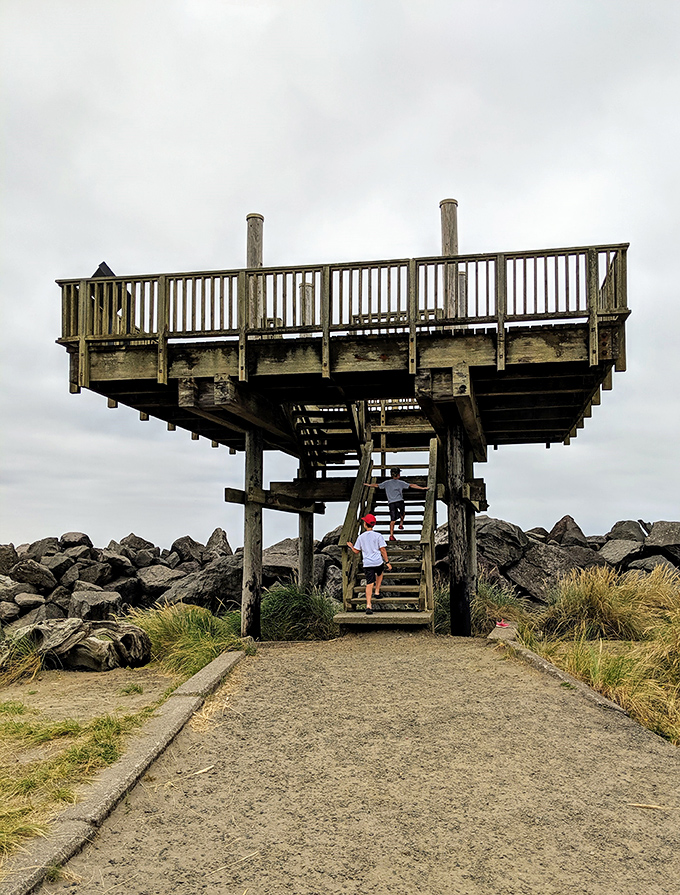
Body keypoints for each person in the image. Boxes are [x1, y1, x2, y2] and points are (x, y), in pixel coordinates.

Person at [364, 467, 429, 541]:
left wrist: (369, 485)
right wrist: (422, 488)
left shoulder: (386, 483)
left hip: (391, 503)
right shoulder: (400, 482)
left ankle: (391, 535)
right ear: (398, 475)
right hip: (399, 501)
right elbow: (411, 485)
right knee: (402, 513)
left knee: (392, 519)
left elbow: (377, 485)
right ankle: (401, 523)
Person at [346, 513, 392, 615]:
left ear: (365, 524)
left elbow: (357, 551)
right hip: (378, 562)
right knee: (380, 573)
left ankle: (368, 605)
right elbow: (383, 550)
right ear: (373, 525)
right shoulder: (378, 536)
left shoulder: (361, 537)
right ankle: (377, 591)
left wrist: (351, 546)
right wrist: (387, 562)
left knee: (369, 583)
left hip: (367, 564)